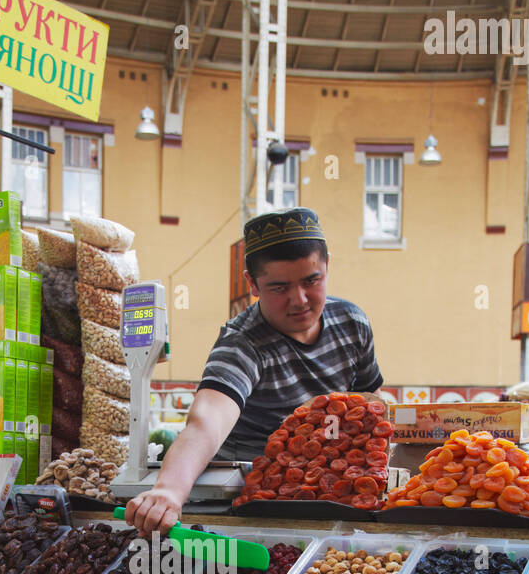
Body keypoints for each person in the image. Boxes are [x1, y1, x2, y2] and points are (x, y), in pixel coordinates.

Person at [126, 207, 383, 534]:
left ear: (327, 265)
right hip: (253, 500)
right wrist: (169, 490)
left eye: (311, 280)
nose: (299, 300)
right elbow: (207, 420)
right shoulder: (243, 343)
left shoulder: (352, 324)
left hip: (331, 492)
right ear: (253, 284)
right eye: (279, 287)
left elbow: (369, 405)